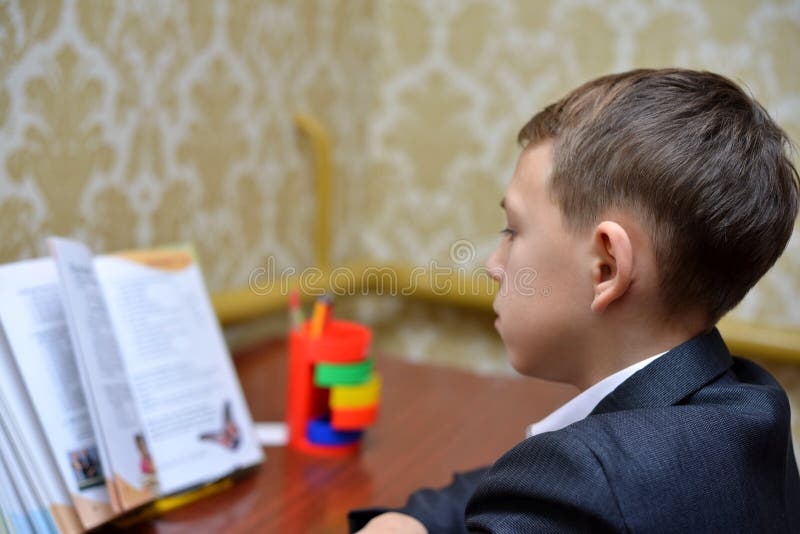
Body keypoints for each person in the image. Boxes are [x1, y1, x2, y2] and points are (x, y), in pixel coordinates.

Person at [349, 69, 800, 533]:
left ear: (606, 267)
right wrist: (413, 521)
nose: (493, 265)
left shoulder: (589, 480)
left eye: (514, 231)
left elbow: (560, 489)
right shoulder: (749, 405)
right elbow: (520, 489)